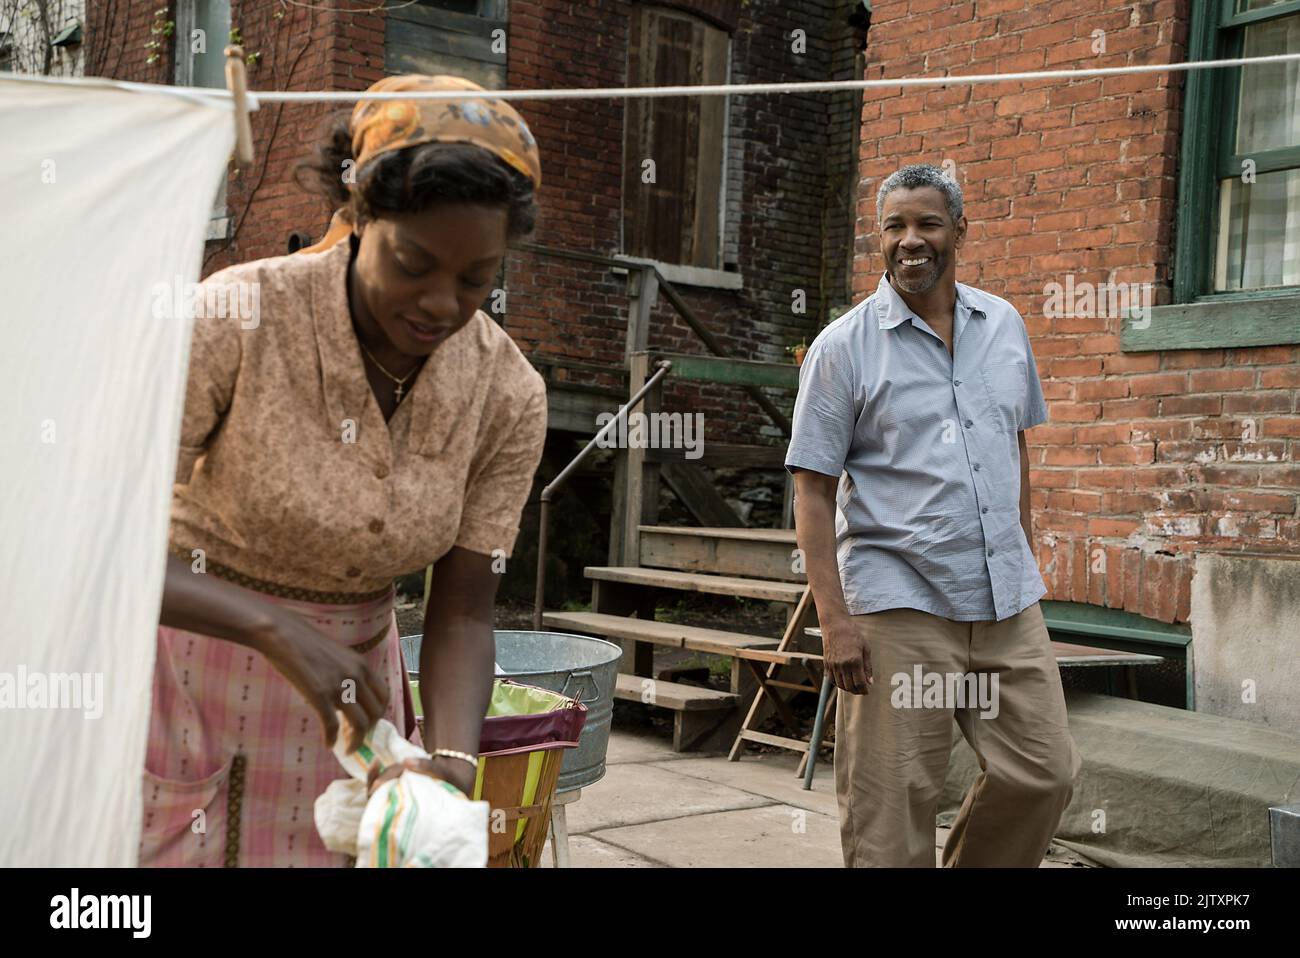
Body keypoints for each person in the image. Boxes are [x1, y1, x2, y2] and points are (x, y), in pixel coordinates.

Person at [142, 75, 548, 867]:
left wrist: (451, 768)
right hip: (183, 673)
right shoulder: (238, 317)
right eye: (413, 263)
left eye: (474, 279)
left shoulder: (507, 391)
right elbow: (99, 539)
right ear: (358, 215)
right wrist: (275, 628)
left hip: (354, 709)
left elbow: (464, 610)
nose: (440, 303)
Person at [786, 163, 1081, 868]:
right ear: (878, 238)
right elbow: (812, 490)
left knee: (1044, 774)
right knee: (892, 810)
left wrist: (1022, 555)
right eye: (894, 226)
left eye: (926, 223)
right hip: (899, 603)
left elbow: (1014, 447)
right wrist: (834, 621)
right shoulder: (844, 347)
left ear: (959, 232)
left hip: (1005, 605)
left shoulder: (1004, 324)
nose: (909, 240)